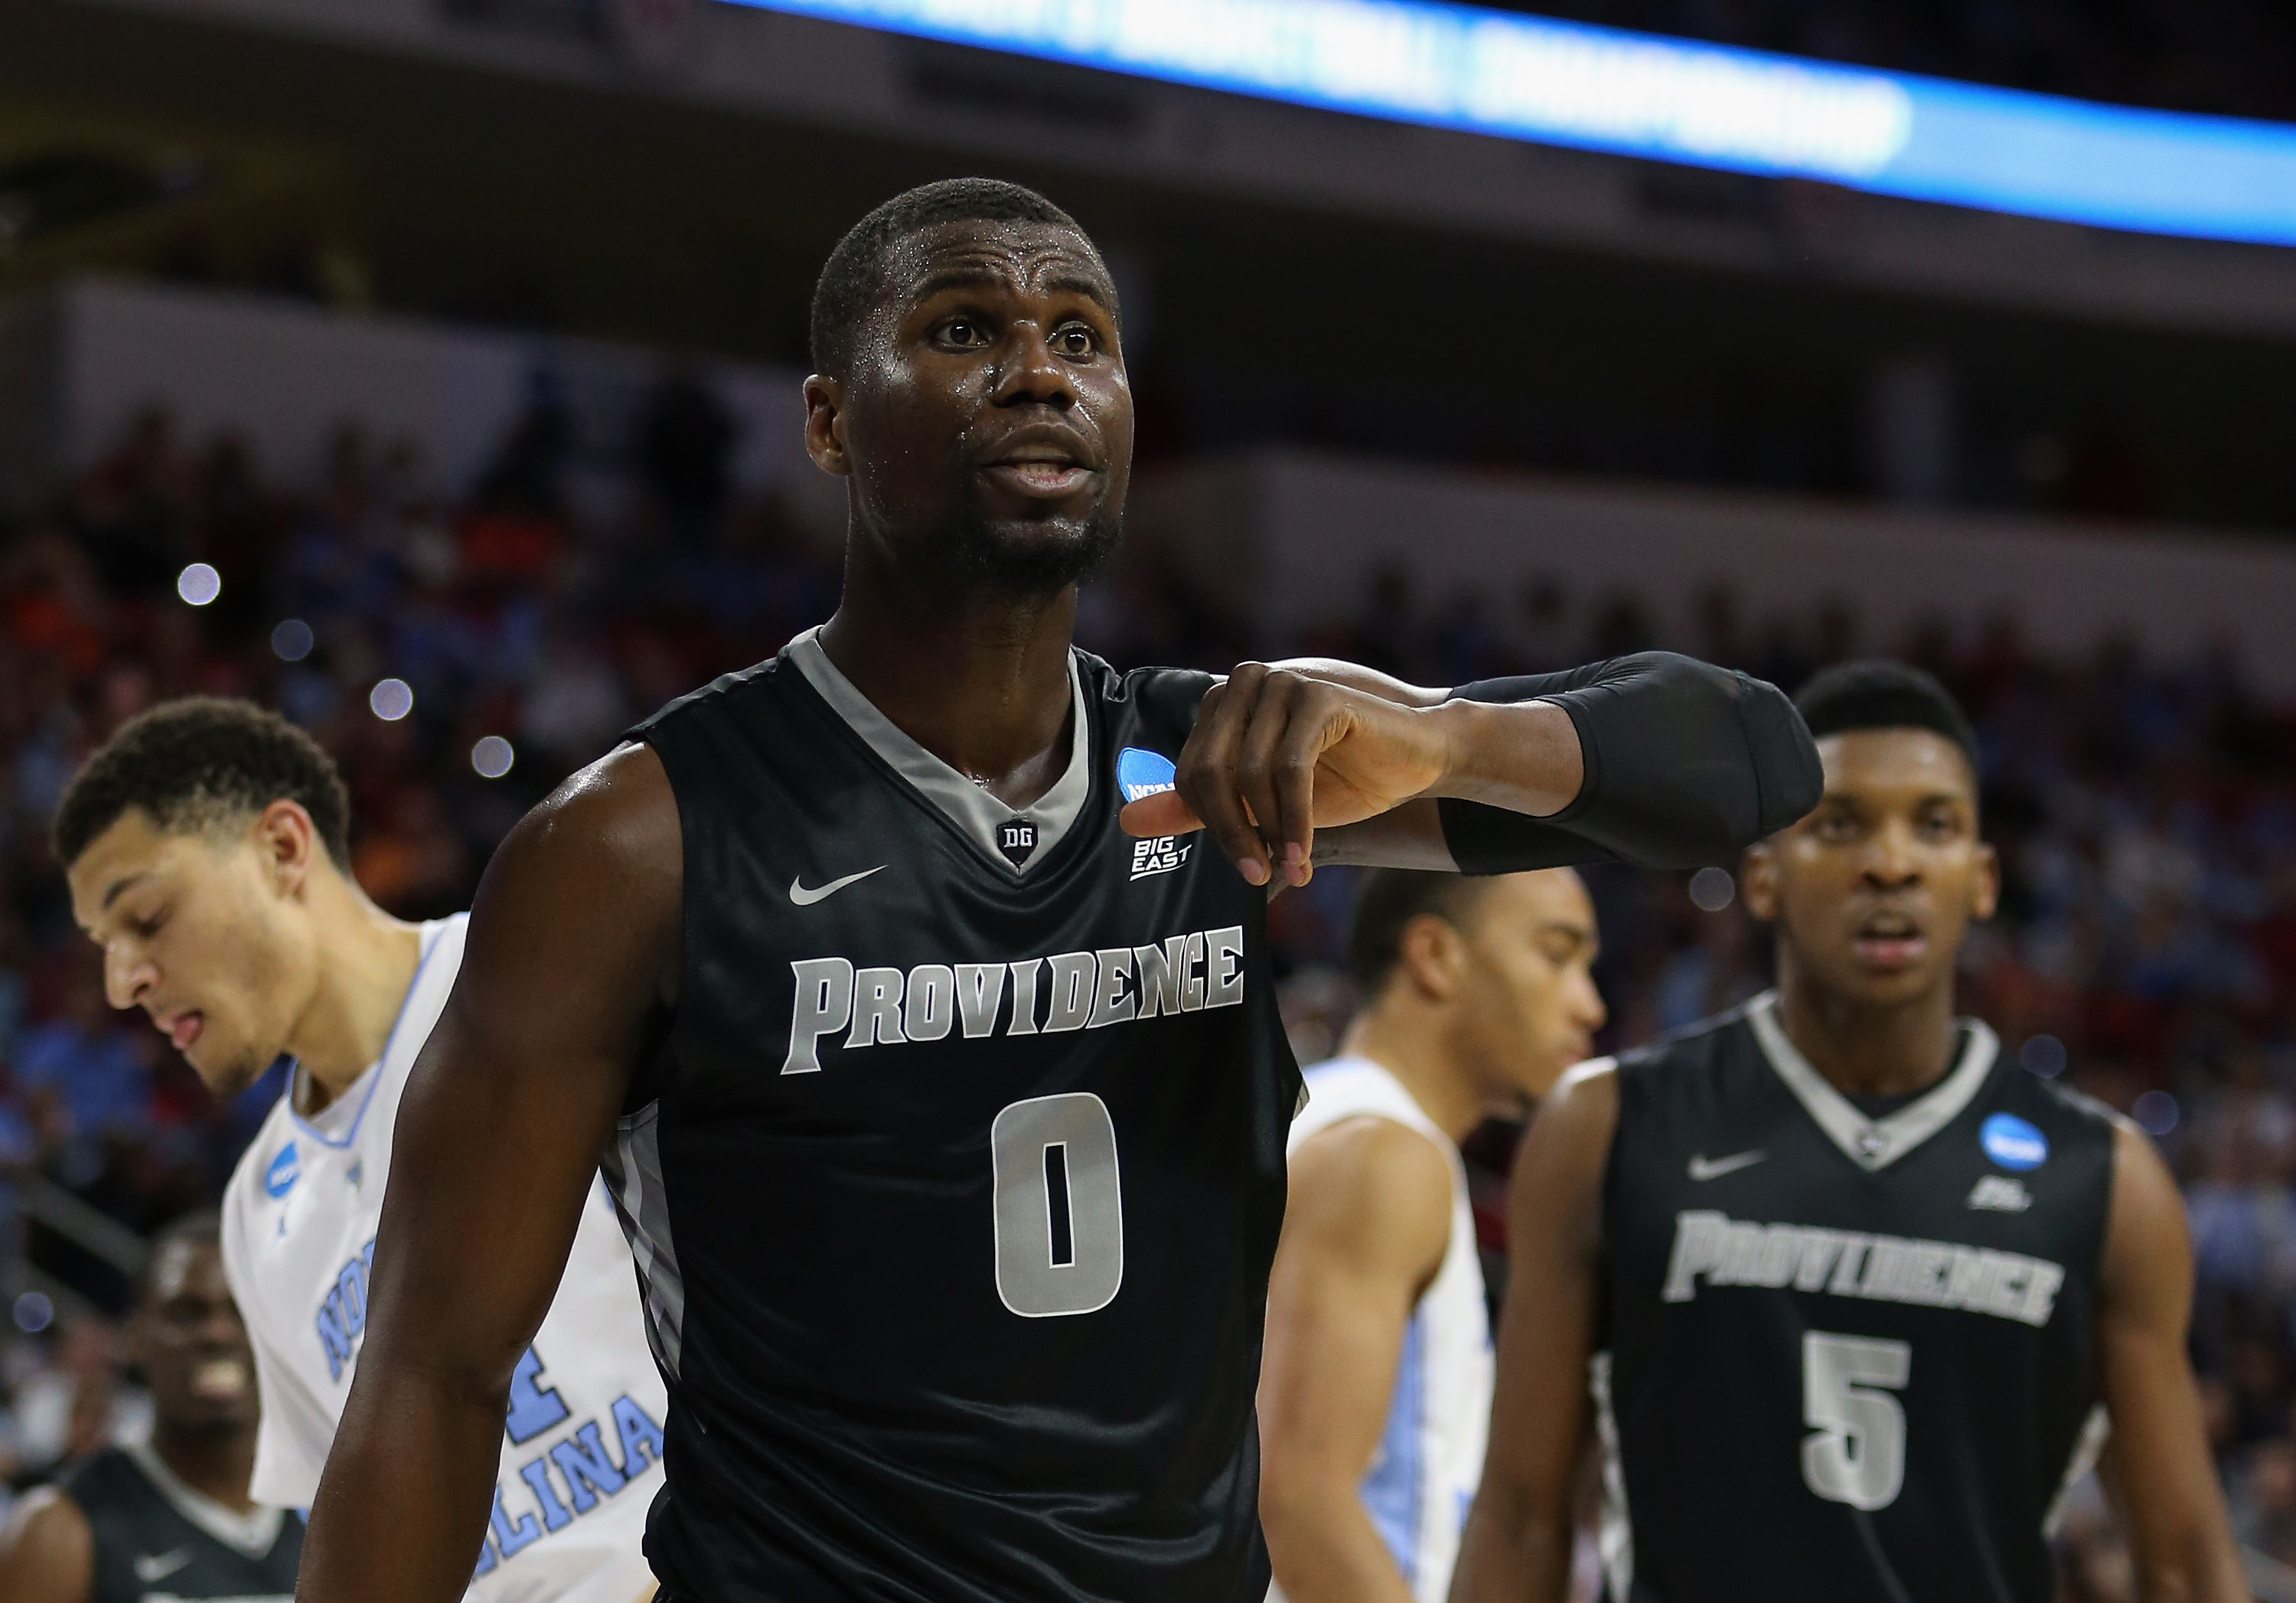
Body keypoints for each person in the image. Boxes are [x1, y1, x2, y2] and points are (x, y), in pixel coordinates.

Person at [292, 176, 1821, 1603]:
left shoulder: (1215, 772)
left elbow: (1757, 768)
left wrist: (1448, 731)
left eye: (1081, 338)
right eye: (967, 331)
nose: (1041, 373)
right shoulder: (635, 846)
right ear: (827, 423)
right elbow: (432, 1373)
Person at [1452, 660, 2245, 1603]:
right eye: (1841, 824)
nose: (1892, 863)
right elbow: (1521, 1515)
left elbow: (2188, 1566)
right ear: (1761, 877)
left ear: (1983, 881)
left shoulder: (2105, 1177)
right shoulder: (1609, 1126)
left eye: (1935, 825)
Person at [54, 699, 668, 1603]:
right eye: (103, 948)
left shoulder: (534, 981)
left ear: (283, 847)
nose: (122, 981)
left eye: (145, 919)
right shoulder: (255, 1212)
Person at [1259, 868, 1604, 1603]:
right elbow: (1298, 1501)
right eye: (1556, 954)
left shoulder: (1351, 1126)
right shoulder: (1382, 1156)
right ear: (1435, 956)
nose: (1589, 1006)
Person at [0, 1214, 301, 1603]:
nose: (217, 1334)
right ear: (136, 1340)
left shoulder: (339, 1511)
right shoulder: (58, 1531)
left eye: (241, 1311)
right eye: (187, 1313)